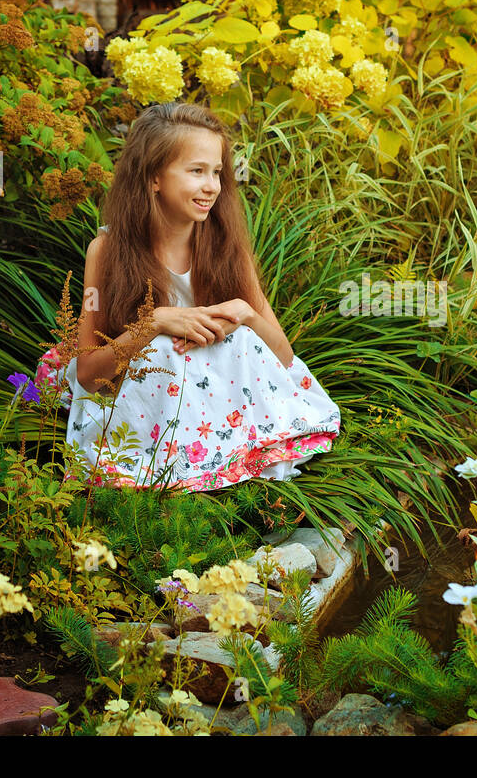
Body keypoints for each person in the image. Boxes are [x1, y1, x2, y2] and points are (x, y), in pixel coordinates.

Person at [61, 101, 340, 490]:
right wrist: (155, 322)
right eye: (196, 171)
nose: (212, 186)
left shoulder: (226, 247)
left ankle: (229, 460)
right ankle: (168, 471)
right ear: (154, 176)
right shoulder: (106, 252)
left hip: (219, 409)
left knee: (241, 337)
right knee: (159, 350)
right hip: (144, 415)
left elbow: (283, 356)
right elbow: (88, 375)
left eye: (217, 172)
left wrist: (246, 312)